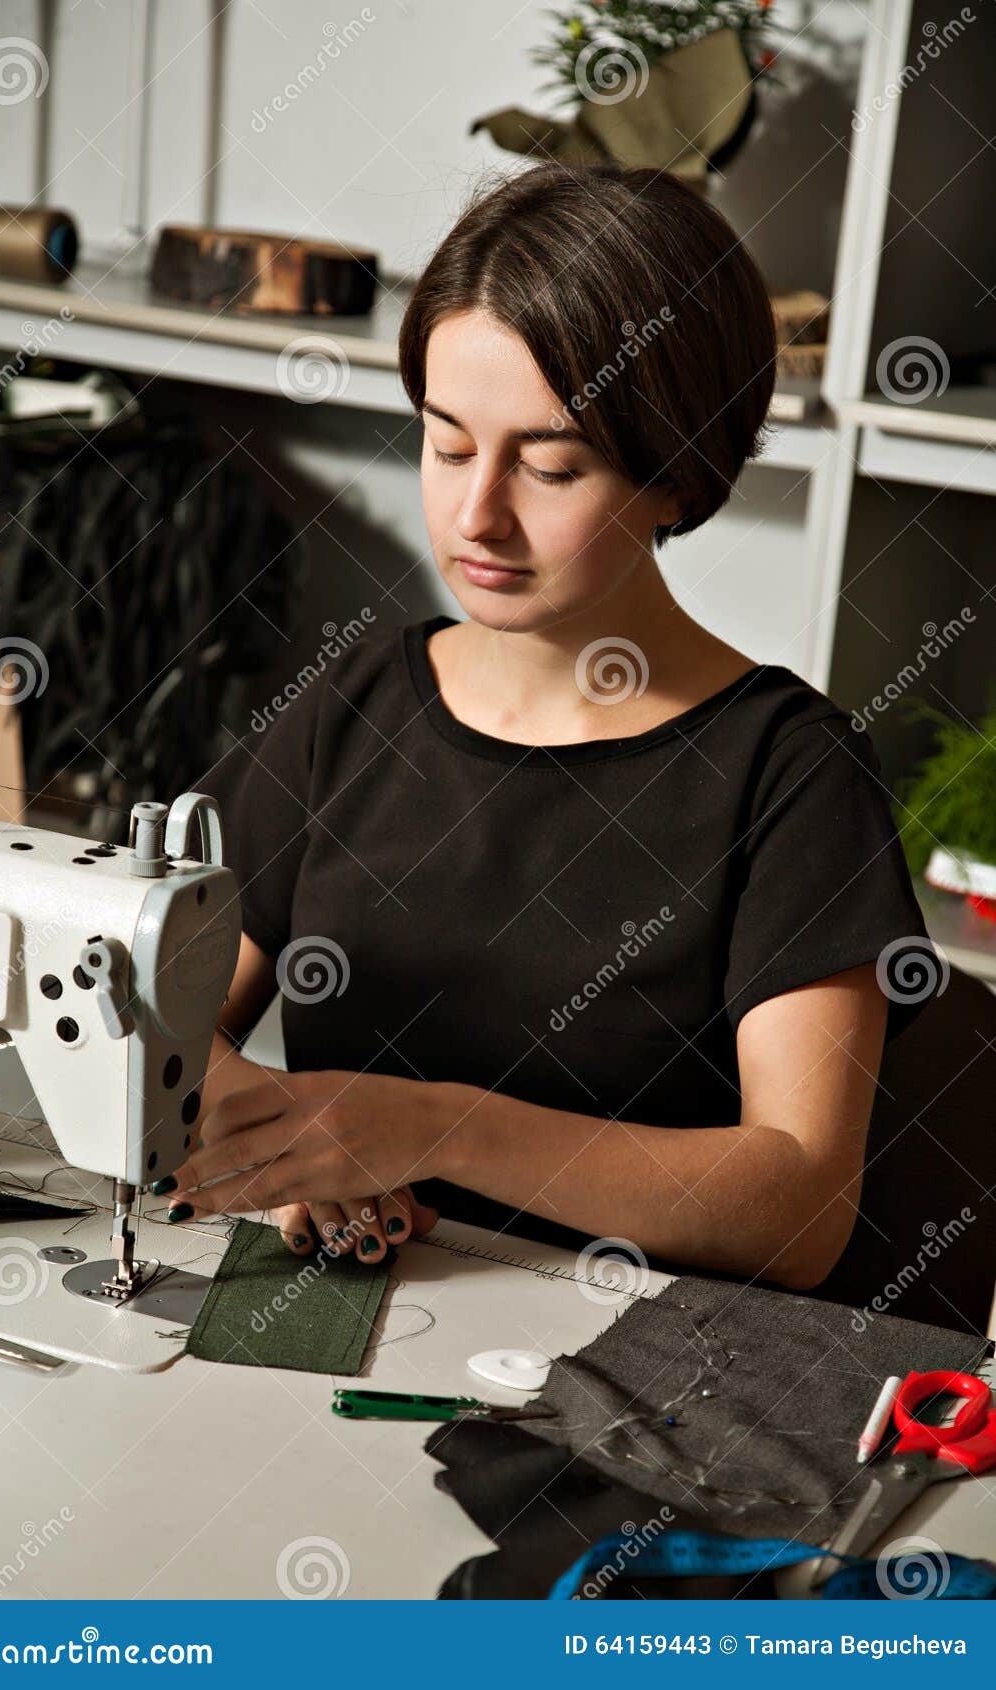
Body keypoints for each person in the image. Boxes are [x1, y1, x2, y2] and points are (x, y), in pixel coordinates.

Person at [151, 163, 936, 1294]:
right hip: (349, 1322)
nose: (476, 516)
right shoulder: (354, 705)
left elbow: (798, 1207)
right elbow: (157, 1022)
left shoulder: (785, 773)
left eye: (550, 464)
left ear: (678, 474)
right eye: (448, 444)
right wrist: (281, 1150)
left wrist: (434, 1126)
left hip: (625, 1378)